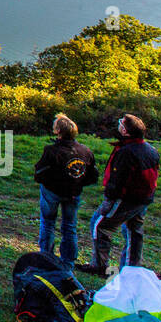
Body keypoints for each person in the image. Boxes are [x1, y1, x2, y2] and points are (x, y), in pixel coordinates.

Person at [78, 113, 160, 276]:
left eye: (121, 123)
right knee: (134, 231)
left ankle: (99, 265)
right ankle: (131, 268)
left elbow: (119, 178)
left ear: (125, 131)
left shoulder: (126, 151)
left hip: (125, 198)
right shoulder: (150, 149)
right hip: (143, 199)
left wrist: (110, 197)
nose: (119, 125)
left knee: (99, 225)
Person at [32, 113, 98, 275]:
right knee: (70, 226)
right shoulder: (85, 151)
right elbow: (92, 175)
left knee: (48, 223)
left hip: (52, 192)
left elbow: (39, 172)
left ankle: (46, 258)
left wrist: (47, 182)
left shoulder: (51, 151)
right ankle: (68, 262)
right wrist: (78, 184)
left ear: (58, 132)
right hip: (74, 193)